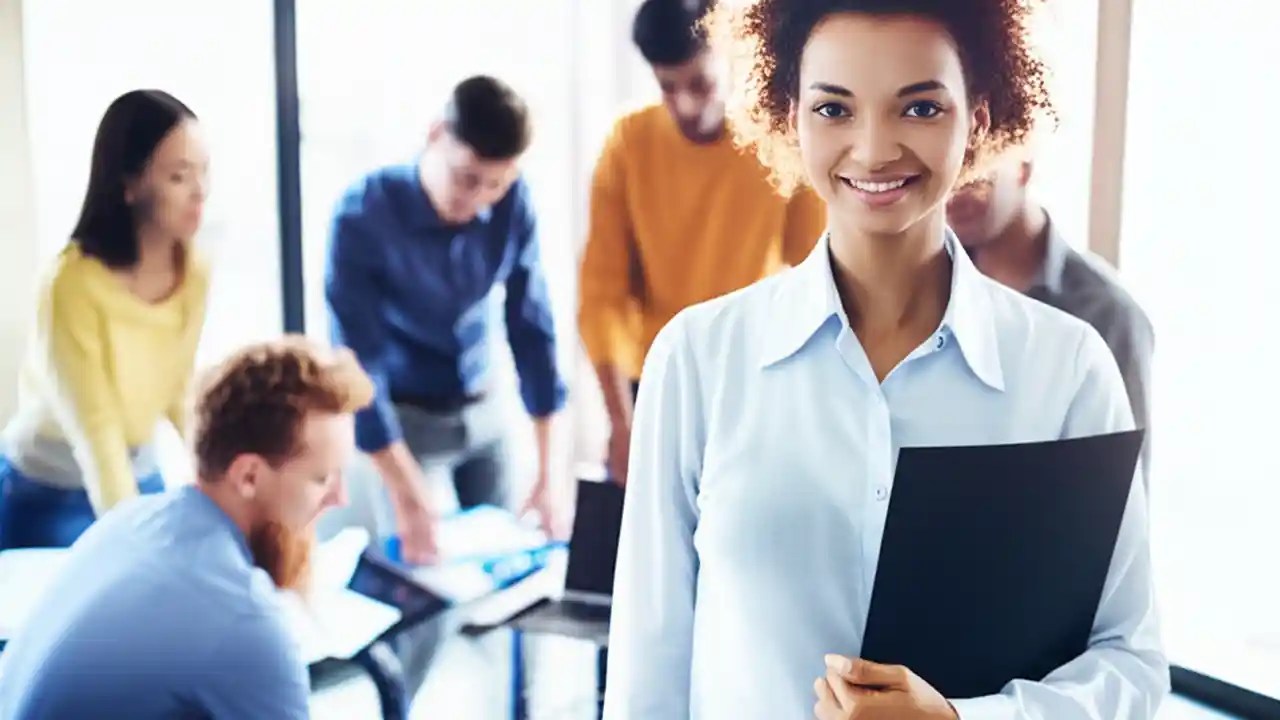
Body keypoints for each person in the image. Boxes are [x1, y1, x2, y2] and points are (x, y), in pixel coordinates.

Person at [604, 1, 1169, 718]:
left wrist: (964, 719)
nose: (873, 150)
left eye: (921, 108)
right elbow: (647, 673)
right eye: (834, 109)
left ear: (982, 119)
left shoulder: (1067, 369)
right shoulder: (698, 358)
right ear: (790, 117)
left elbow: (1129, 662)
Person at [0, 337, 371, 719]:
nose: (340, 498)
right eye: (323, 478)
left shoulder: (134, 519)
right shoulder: (243, 620)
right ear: (248, 475)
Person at [577, 0, 826, 486]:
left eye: (700, 84)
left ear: (732, 58)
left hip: (753, 382)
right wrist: (620, 421)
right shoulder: (629, 144)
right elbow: (601, 296)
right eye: (667, 88)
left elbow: (813, 276)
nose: (685, 104)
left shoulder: (784, 141)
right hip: (653, 386)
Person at [326, 74, 567, 563]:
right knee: (422, 579)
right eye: (466, 178)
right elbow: (356, 363)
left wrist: (549, 471)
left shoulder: (514, 202)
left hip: (486, 410)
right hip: (404, 424)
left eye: (495, 185)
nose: (478, 198)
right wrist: (407, 492)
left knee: (509, 573)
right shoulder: (362, 214)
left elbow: (532, 330)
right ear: (435, 133)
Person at [0, 89, 210, 550]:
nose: (200, 191)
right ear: (128, 184)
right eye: (179, 176)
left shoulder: (195, 269)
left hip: (136, 469)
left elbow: (179, 389)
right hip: (46, 488)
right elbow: (96, 430)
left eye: (203, 172)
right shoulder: (70, 283)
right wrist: (132, 545)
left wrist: (218, 479)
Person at [947, 147, 1155, 482]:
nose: (956, 193)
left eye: (978, 174)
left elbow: (1119, 493)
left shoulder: (1106, 313)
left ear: (1023, 167)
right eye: (949, 175)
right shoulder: (936, 293)